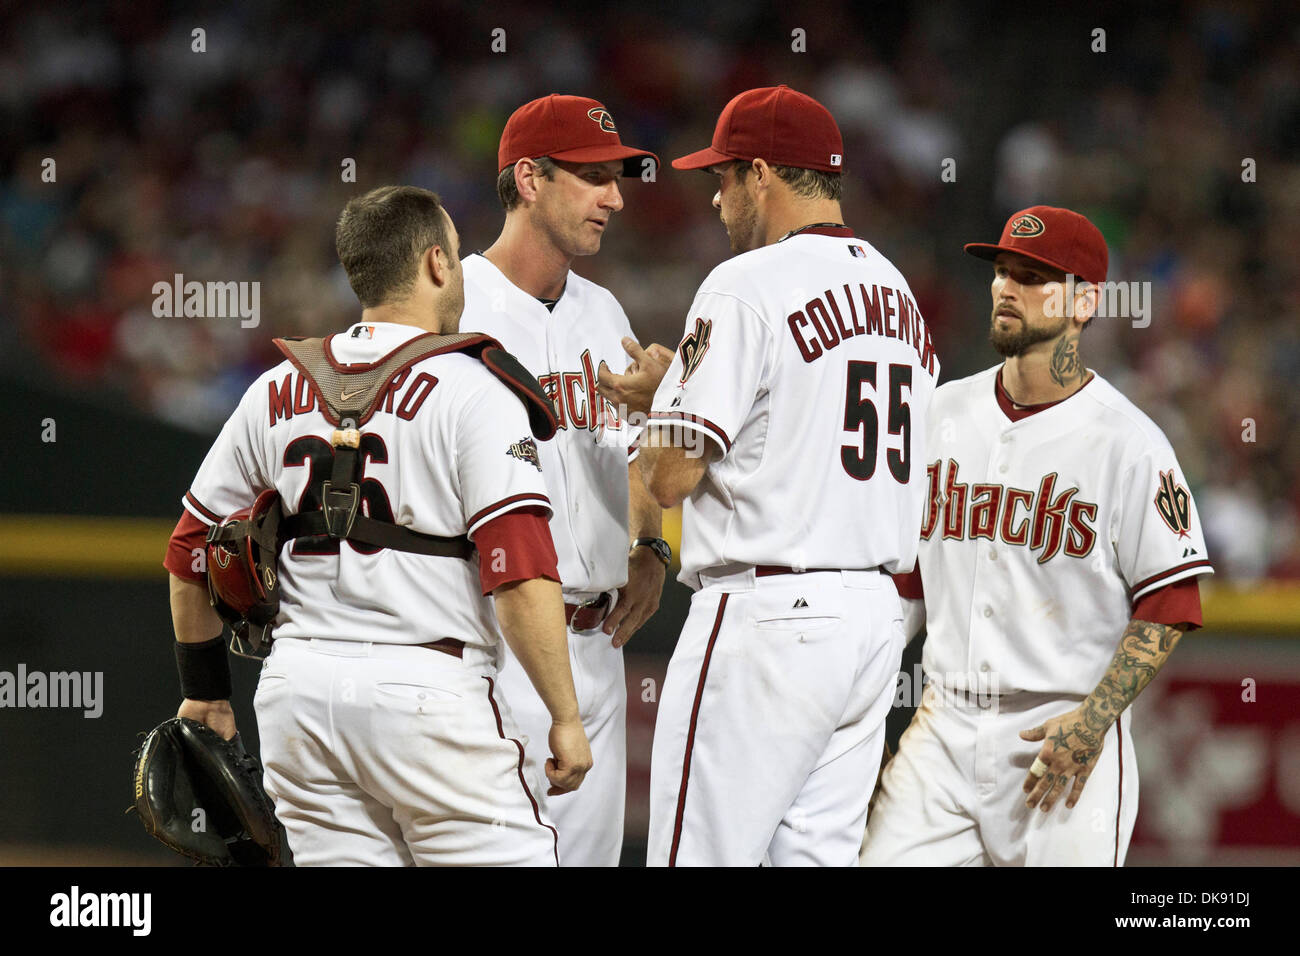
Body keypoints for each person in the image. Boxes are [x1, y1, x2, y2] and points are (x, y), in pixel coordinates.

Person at [161, 185, 591, 866]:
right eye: (452, 251)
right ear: (437, 265)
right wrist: (566, 716)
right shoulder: (474, 388)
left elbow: (189, 551)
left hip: (296, 697)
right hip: (425, 692)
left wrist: (206, 692)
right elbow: (521, 574)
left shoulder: (273, 388)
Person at [597, 85, 940, 866]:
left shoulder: (745, 282)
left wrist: (667, 406)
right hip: (871, 623)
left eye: (722, 179)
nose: (716, 201)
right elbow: (806, 423)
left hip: (768, 615)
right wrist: (680, 396)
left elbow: (671, 476)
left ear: (761, 174)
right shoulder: (900, 294)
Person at [859, 205, 1214, 866]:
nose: (1005, 288)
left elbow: (1170, 606)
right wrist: (858, 696)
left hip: (1064, 732)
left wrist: (1094, 720)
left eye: (1032, 276)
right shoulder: (940, 411)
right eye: (1001, 271)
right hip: (943, 726)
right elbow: (907, 582)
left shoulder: (1130, 443)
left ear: (1085, 302)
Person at [458, 94, 667, 867]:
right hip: (494, 643)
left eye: (617, 177)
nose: (615, 196)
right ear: (529, 180)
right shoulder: (456, 310)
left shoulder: (603, 308)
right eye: (592, 177)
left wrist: (653, 547)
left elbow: (636, 453)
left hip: (598, 649)